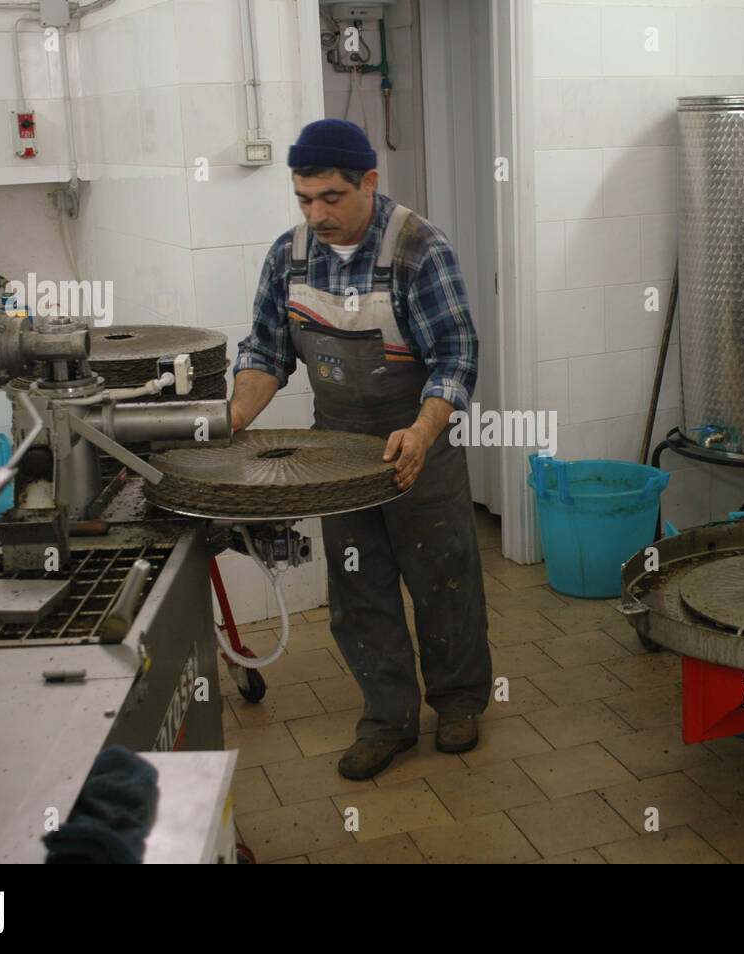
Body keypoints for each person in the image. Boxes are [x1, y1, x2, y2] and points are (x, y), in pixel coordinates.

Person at [231, 119, 491, 780]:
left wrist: (424, 430)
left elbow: (456, 357)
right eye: (304, 199)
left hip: (418, 447)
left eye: (331, 198)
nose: (316, 214)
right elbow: (265, 352)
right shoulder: (288, 257)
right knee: (357, 588)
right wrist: (231, 418)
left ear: (368, 182)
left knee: (444, 581)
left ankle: (458, 703)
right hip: (338, 451)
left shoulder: (417, 249)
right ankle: (388, 719)